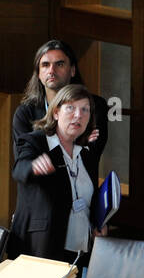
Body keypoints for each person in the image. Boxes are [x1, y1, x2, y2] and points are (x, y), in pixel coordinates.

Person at [10, 84, 105, 263]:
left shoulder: (86, 152)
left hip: (78, 252)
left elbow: (85, 198)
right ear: (55, 112)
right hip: (40, 250)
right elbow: (19, 169)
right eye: (71, 108)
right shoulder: (36, 141)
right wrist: (33, 166)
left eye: (85, 110)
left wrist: (97, 223)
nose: (79, 115)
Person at [12, 39, 108, 157]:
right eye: (45, 65)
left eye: (59, 64)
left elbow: (89, 156)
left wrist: (39, 147)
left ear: (72, 70)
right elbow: (25, 161)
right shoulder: (25, 113)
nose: (51, 71)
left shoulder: (95, 105)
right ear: (38, 73)